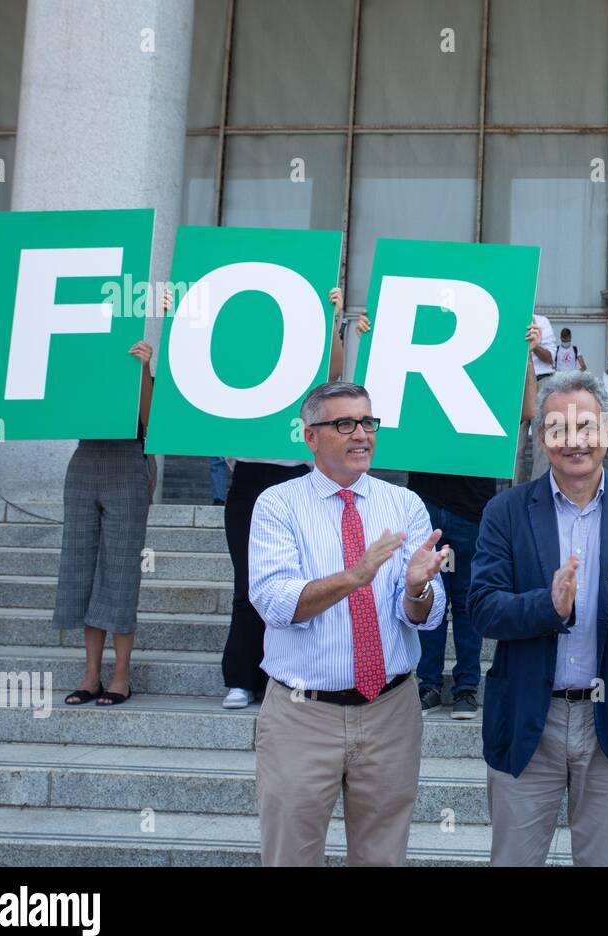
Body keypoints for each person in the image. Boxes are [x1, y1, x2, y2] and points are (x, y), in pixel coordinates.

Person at [468, 370, 608, 866]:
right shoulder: (505, 510)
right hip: (529, 715)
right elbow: (482, 607)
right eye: (559, 429)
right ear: (541, 437)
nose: (575, 441)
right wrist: (549, 607)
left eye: (586, 427)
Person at [248, 381, 450, 866]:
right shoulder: (277, 505)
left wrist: (417, 589)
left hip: (390, 711)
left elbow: (426, 614)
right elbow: (277, 603)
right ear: (310, 436)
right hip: (303, 714)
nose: (361, 434)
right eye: (344, 423)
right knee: (290, 855)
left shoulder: (404, 504)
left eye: (367, 422)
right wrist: (355, 576)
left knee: (382, 856)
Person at [353, 310, 543, 718]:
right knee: (426, 593)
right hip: (425, 505)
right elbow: (371, 402)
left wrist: (525, 354)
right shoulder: (420, 380)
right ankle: (429, 683)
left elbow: (528, 411)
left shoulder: (488, 383)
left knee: (469, 602)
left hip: (475, 507)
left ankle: (467, 686)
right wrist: (371, 343)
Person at [0, 311, 155, 708]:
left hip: (130, 458)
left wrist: (144, 368)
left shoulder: (133, 354)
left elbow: (151, 419)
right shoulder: (75, 352)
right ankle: (91, 673)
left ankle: (121, 674)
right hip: (84, 458)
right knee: (79, 567)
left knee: (122, 570)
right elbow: (29, 367)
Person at [218, 286, 347, 709]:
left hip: (296, 476)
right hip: (249, 478)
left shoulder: (302, 363)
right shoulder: (242, 367)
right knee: (248, 581)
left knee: (295, 581)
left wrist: (331, 321)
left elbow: (333, 380)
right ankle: (240, 676)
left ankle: (284, 672)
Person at [515, 312, 557, 484]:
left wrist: (535, 346)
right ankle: (515, 491)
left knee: (540, 444)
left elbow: (549, 358)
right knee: (516, 446)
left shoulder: (541, 322)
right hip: (516, 384)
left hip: (541, 381)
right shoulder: (510, 319)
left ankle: (537, 490)